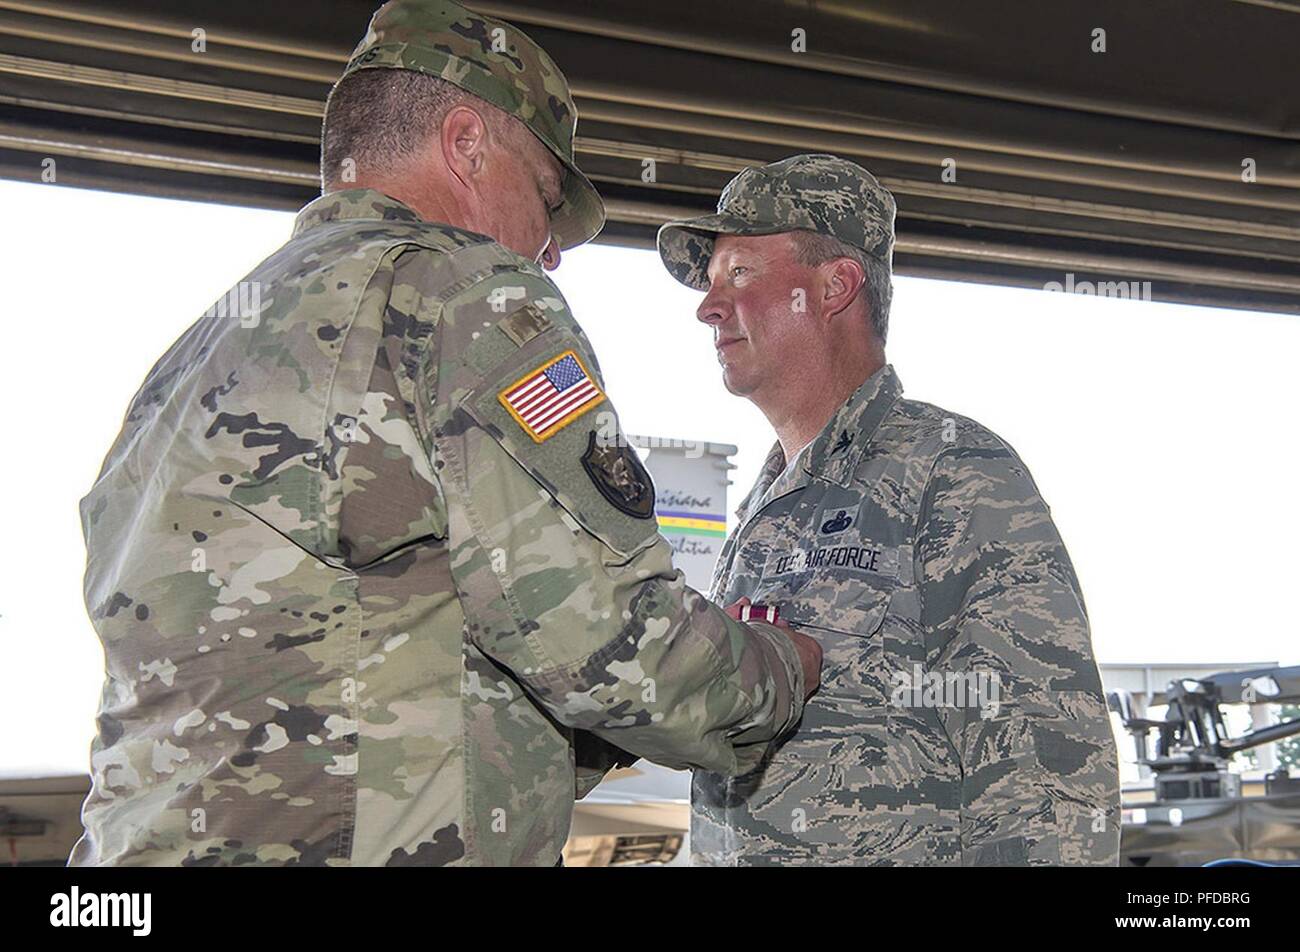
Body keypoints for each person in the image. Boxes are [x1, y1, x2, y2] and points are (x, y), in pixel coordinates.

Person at [70, 0, 820, 867]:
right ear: (466, 145)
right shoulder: (461, 294)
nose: (549, 251)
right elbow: (611, 641)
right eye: (545, 197)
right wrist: (780, 669)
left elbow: (387, 657)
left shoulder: (196, 353)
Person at [657, 153, 1120, 865]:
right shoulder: (768, 506)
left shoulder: (952, 471)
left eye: (740, 273)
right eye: (712, 281)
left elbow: (1048, 771)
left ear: (836, 286)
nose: (707, 306)